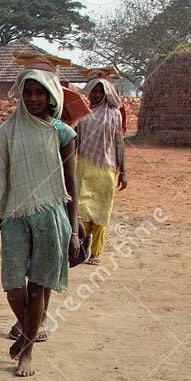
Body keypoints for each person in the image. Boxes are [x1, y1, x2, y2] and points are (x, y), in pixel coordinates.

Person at [0, 68, 80, 377]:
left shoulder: (62, 133)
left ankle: (27, 351)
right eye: (28, 92)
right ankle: (26, 333)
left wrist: (74, 229)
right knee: (13, 288)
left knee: (37, 288)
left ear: (51, 97)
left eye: (40, 93)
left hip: (51, 215)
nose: (34, 98)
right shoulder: (9, 131)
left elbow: (71, 184)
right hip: (14, 217)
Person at [73, 79, 128, 264]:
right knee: (81, 209)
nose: (96, 95)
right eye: (93, 91)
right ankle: (82, 243)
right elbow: (76, 140)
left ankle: (96, 252)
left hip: (106, 170)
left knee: (101, 212)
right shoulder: (83, 113)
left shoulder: (114, 114)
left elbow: (119, 143)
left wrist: (124, 171)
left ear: (107, 94)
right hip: (84, 167)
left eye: (100, 92)